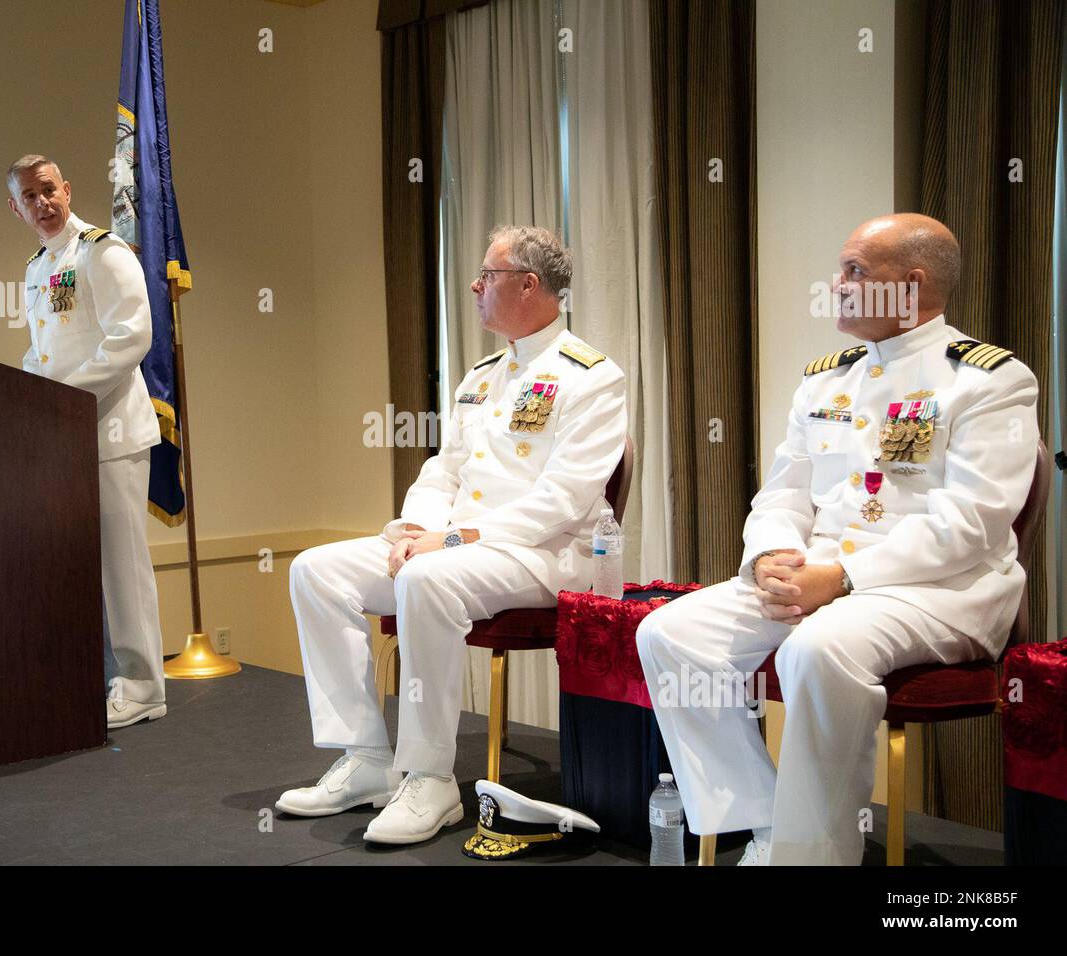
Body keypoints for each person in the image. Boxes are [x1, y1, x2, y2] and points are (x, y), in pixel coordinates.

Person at [636, 213, 1040, 865]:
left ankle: (816, 855)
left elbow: (970, 525)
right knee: (670, 635)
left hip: (938, 590)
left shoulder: (988, 381)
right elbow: (785, 492)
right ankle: (769, 827)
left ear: (910, 285)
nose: (838, 285)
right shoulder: (826, 379)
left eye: (856, 271)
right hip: (821, 578)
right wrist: (770, 555)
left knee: (817, 649)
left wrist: (843, 576)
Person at [277, 226, 628, 844]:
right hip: (458, 548)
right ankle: (364, 758)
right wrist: (416, 527)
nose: (475, 286)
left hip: (543, 557)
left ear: (528, 284)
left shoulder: (593, 377)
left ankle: (430, 777)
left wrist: (454, 540)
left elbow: (563, 501)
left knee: (426, 575)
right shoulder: (483, 374)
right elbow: (444, 469)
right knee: (314, 568)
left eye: (487, 276)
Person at [7, 154, 167, 729]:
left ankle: (145, 684)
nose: (42, 202)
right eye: (29, 196)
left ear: (67, 190)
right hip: (62, 432)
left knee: (122, 565)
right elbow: (41, 351)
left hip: (110, 431)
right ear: (16, 207)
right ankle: (100, 677)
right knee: (78, 562)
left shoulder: (104, 251)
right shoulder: (35, 267)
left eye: (49, 189)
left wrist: (65, 400)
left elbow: (132, 336)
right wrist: (26, 399)